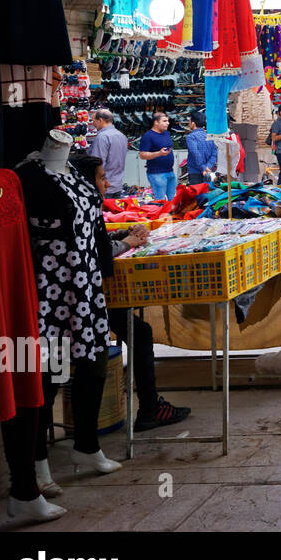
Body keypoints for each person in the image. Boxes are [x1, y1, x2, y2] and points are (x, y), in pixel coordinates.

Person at [70, 154, 191, 434]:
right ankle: (147, 409)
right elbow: (97, 253)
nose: (107, 182)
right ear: (87, 183)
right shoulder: (81, 207)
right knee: (134, 336)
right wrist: (127, 241)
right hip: (83, 299)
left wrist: (124, 232)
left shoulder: (87, 207)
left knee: (139, 332)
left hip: (91, 295)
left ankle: (149, 407)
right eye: (101, 177)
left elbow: (96, 240)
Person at [87, 109, 128, 196]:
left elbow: (98, 163)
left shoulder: (102, 137)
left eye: (93, 121)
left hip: (104, 187)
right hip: (117, 185)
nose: (93, 124)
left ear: (100, 120)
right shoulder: (122, 136)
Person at [138, 112, 176, 201]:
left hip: (170, 171)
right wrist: (159, 153)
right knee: (160, 200)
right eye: (164, 121)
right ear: (156, 122)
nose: (168, 123)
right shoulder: (148, 136)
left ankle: (170, 214)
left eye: (168, 121)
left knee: (173, 200)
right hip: (157, 173)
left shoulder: (167, 133)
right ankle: (160, 214)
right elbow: (142, 155)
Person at [184, 111, 217, 185]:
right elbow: (214, 153)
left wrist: (203, 168)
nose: (188, 123)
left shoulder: (191, 137)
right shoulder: (209, 136)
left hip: (195, 171)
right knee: (207, 193)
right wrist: (208, 167)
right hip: (208, 171)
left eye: (189, 121)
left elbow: (195, 153)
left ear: (193, 123)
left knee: (196, 194)